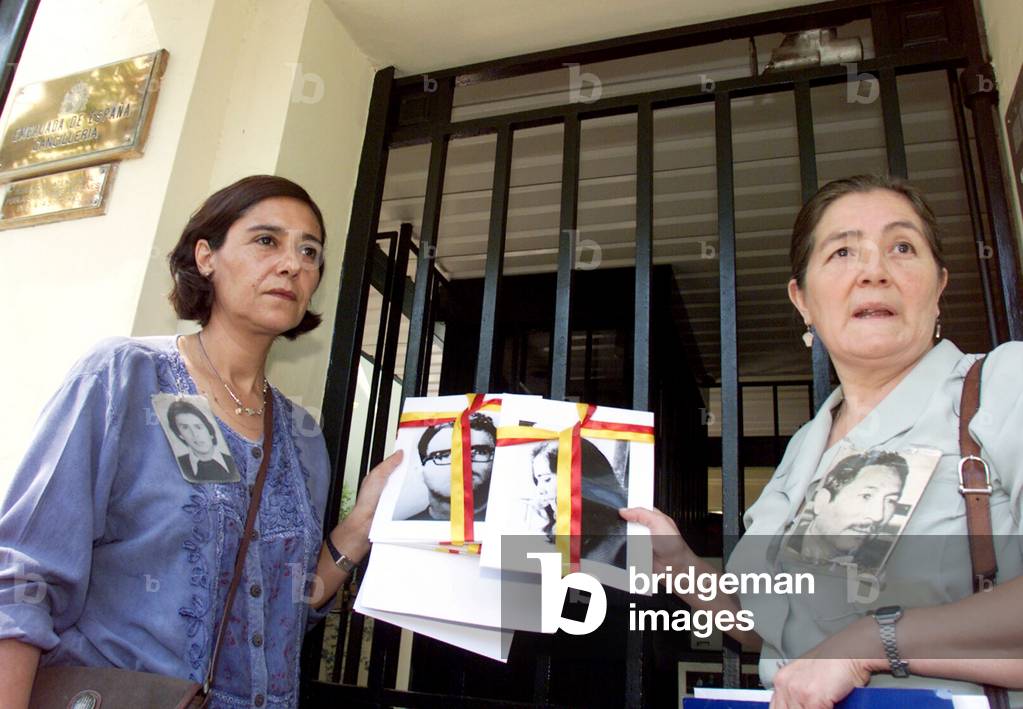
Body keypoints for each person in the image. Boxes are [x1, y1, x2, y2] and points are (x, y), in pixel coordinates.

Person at [620, 175, 1023, 707]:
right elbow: (773, 631)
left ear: (939, 284)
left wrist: (871, 644)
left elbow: (842, 650)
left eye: (902, 247)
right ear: (803, 300)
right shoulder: (804, 449)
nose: (874, 271)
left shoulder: (1003, 383)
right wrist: (679, 565)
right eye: (842, 252)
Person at [0, 175, 401, 709]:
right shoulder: (126, 376)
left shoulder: (302, 436)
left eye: (310, 252)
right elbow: (23, 580)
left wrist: (362, 523)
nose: (292, 264)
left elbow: (287, 607)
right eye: (267, 240)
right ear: (206, 256)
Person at [787, 450, 908, 564]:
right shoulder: (781, 538)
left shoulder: (887, 563)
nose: (878, 516)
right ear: (821, 501)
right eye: (866, 496)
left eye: (890, 501)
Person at [402, 413, 497, 522]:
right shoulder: (399, 530)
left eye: (480, 452)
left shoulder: (511, 527)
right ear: (421, 470)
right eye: (442, 455)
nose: (461, 463)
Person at [166, 398, 239, 482]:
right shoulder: (176, 464)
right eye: (185, 428)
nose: (195, 434)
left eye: (198, 427)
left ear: (209, 430)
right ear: (180, 435)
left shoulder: (234, 463)